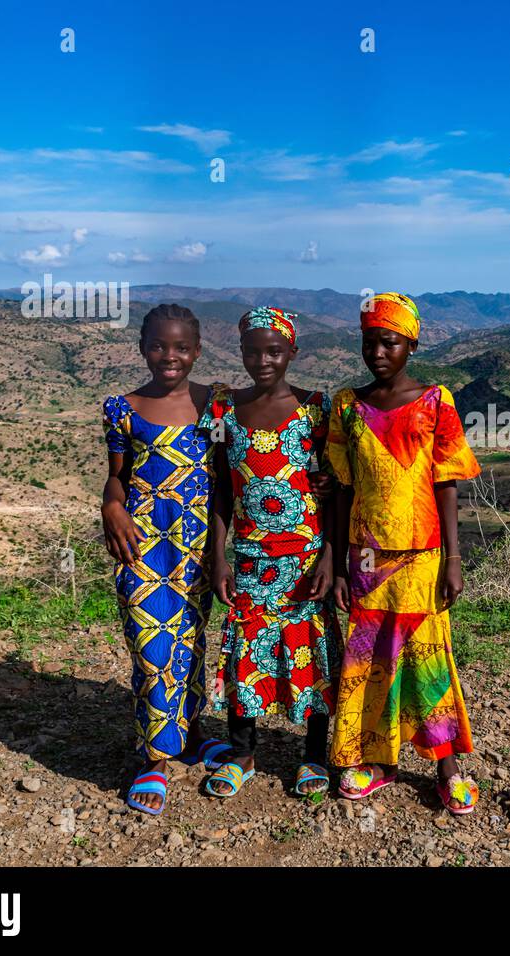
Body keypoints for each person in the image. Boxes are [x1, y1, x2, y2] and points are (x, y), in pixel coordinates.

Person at [326, 292, 482, 815]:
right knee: (371, 658)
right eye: (370, 341)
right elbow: (343, 488)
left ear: (411, 344)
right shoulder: (347, 406)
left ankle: (447, 767)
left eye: (389, 341)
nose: (378, 352)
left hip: (422, 554)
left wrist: (454, 560)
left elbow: (446, 483)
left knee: (426, 657)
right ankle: (378, 761)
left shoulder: (437, 401)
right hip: (366, 555)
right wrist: (340, 558)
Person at [200, 307, 341, 802]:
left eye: (274, 351)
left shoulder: (317, 409)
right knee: (245, 654)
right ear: (240, 352)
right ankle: (242, 753)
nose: (263, 360)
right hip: (249, 560)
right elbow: (219, 489)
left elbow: (335, 484)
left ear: (293, 354)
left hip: (305, 559)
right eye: (253, 351)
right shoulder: (223, 409)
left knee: (313, 656)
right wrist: (218, 556)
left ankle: (314, 754)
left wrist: (330, 554)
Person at [101, 304, 231, 815]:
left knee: (191, 640)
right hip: (141, 542)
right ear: (142, 347)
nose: (169, 357)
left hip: (198, 543)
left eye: (180, 347)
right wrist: (111, 504)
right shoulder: (121, 408)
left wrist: (222, 552)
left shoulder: (216, 406)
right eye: (158, 346)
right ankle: (154, 756)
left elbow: (225, 477)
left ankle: (192, 733)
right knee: (152, 646)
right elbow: (117, 472)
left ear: (197, 351)